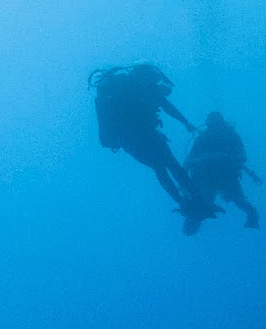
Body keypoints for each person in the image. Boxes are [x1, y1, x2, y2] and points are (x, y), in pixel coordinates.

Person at [89, 63, 215, 223]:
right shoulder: (143, 85)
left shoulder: (124, 86)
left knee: (160, 169)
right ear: (146, 74)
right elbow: (168, 106)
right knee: (172, 165)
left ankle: (184, 203)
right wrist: (186, 123)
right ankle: (198, 201)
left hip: (127, 141)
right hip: (146, 134)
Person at [183, 111, 260, 235]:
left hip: (225, 176)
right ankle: (192, 224)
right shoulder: (204, 138)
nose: (214, 130)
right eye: (212, 126)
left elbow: (242, 156)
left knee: (238, 200)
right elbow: (189, 161)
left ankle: (252, 216)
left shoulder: (230, 136)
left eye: (216, 126)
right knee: (206, 203)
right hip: (208, 178)